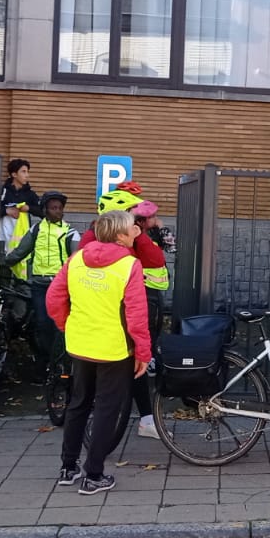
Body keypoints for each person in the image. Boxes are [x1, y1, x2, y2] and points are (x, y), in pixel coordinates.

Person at [46, 209, 152, 495]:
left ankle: (68, 468)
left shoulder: (77, 259)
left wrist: (66, 325)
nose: (138, 231)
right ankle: (94, 475)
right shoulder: (129, 265)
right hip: (113, 349)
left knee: (78, 403)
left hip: (80, 344)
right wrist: (143, 352)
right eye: (133, 228)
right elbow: (137, 315)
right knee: (106, 410)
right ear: (119, 234)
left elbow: (54, 297)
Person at [83, 184, 168, 440]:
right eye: (130, 215)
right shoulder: (90, 240)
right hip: (98, 318)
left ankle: (145, 419)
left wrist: (138, 233)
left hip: (123, 314)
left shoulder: (132, 238)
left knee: (134, 365)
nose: (136, 219)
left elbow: (156, 260)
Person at [3, 191, 80, 373]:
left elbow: (77, 261)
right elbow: (20, 252)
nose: (58, 211)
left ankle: (58, 363)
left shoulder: (70, 232)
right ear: (45, 210)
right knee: (42, 324)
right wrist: (2, 263)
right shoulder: (36, 230)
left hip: (60, 286)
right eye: (53, 208)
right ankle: (44, 361)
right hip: (39, 284)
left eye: (60, 208)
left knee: (58, 325)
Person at [0, 159, 41, 246]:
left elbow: (43, 211)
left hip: (22, 240)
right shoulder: (2, 192)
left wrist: (29, 208)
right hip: (1, 239)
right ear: (14, 174)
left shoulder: (30, 194)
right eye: (23, 172)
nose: (27, 175)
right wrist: (6, 211)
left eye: (27, 172)